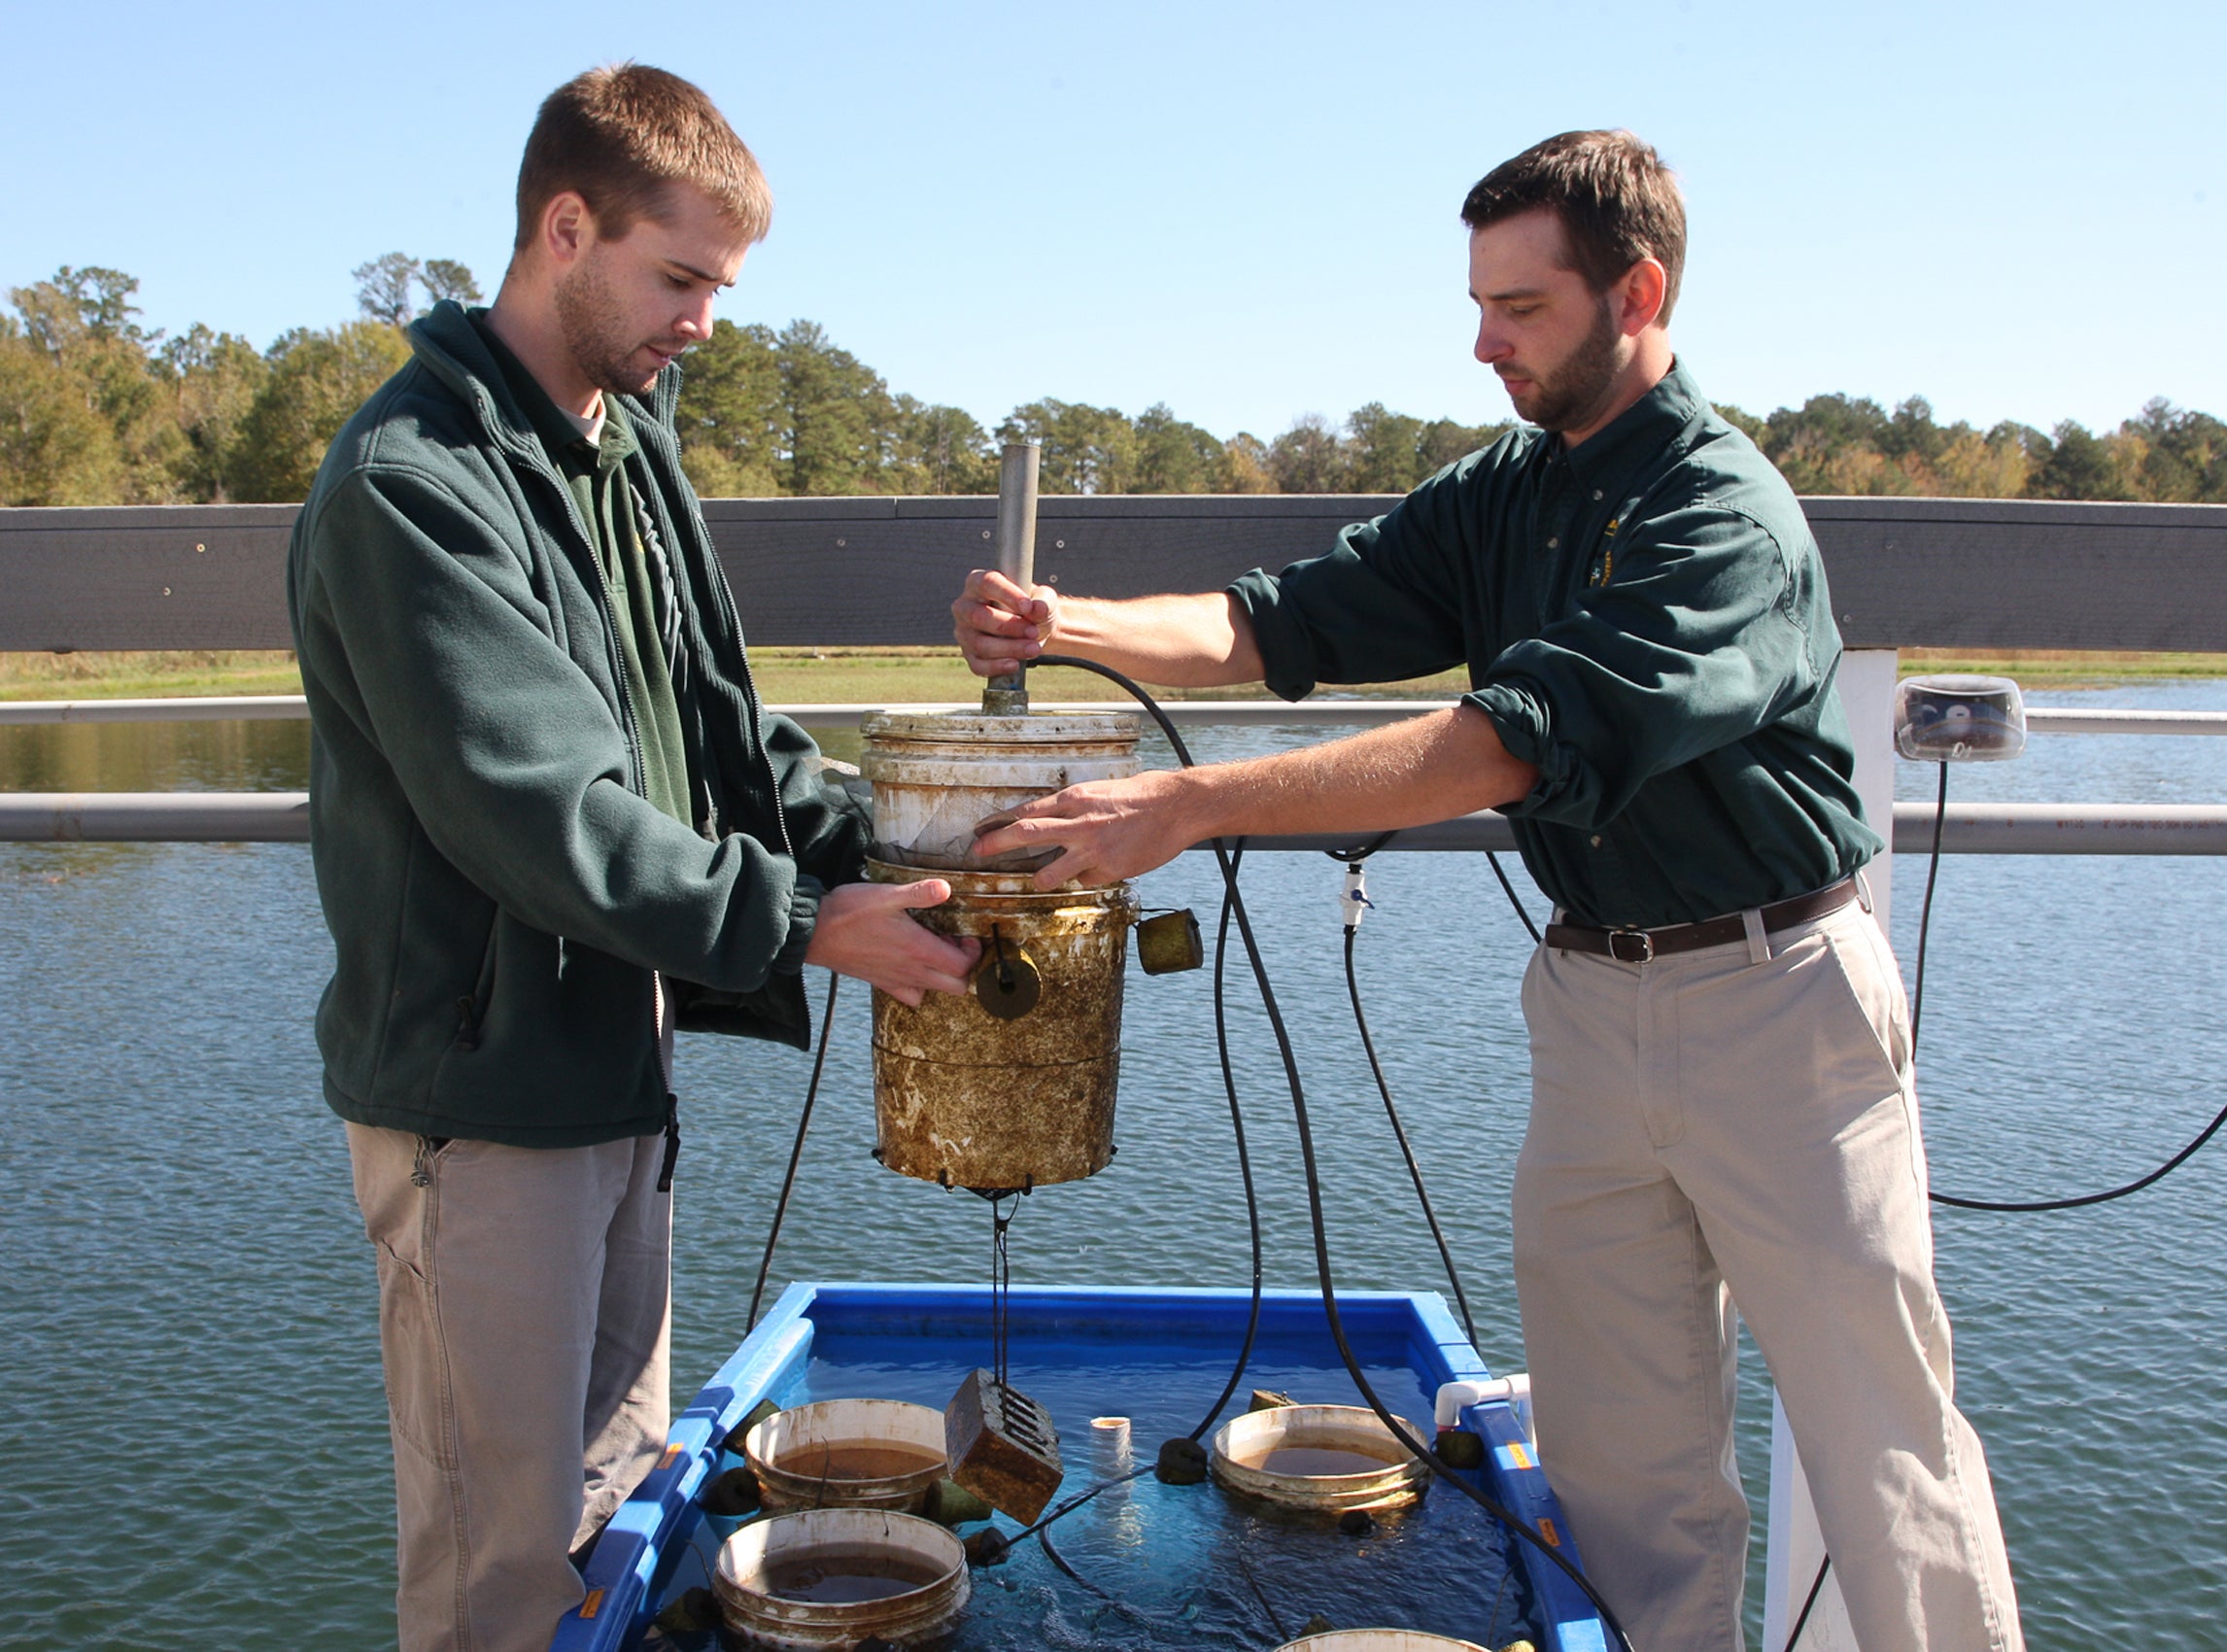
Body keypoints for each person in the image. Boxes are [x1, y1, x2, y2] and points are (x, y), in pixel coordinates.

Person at [952, 130, 2023, 1651]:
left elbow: (1511, 744)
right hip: (1592, 1004)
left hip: (1780, 1004)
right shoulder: (1506, 492)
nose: (1483, 339)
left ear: (1637, 291)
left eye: (1520, 306)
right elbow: (1280, 622)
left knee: (1881, 1448)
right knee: (1623, 1462)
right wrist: (1072, 620)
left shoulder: (1720, 517)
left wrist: (1192, 804)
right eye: (1477, 300)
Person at [289, 64, 978, 1652]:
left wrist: (909, 842)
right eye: (681, 279)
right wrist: (813, 923)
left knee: (618, 1517)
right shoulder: (417, 488)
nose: (706, 322)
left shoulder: (620, 445)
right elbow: (555, 820)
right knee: (497, 1573)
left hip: (615, 1061)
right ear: (564, 226)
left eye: (724, 287)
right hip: (481, 1110)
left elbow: (718, 737)